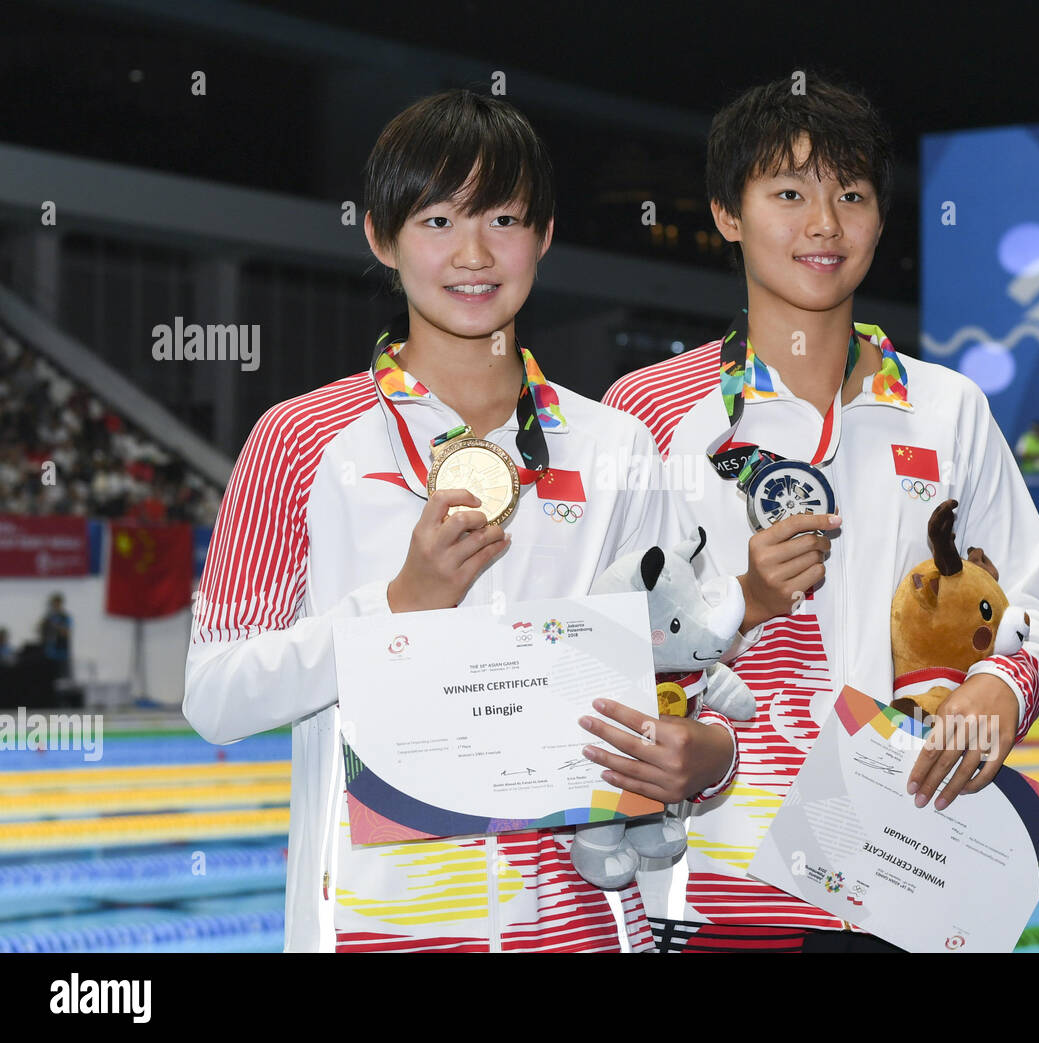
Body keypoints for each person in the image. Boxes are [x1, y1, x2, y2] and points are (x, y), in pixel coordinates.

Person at [183, 89, 732, 953]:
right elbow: (215, 697)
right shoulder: (299, 441)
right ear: (379, 235)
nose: (473, 253)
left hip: (582, 928)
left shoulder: (616, 445)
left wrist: (712, 756)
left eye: (505, 218)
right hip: (376, 929)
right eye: (437, 219)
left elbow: (689, 668)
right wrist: (399, 604)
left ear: (545, 235)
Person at [602, 75, 1039, 953]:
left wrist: (999, 688)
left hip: (902, 877)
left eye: (851, 195)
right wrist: (730, 624)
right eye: (789, 193)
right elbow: (604, 630)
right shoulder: (652, 411)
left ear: (880, 220)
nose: (825, 223)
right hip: (710, 889)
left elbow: (1029, 613)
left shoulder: (948, 407)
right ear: (726, 215)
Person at [39, 593, 72, 680]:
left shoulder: (65, 617)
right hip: (49, 654)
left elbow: (66, 633)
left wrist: (56, 626)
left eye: (57, 604)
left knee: (63, 679)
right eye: (53, 604)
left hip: (61, 653)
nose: (55, 606)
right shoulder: (48, 618)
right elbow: (42, 632)